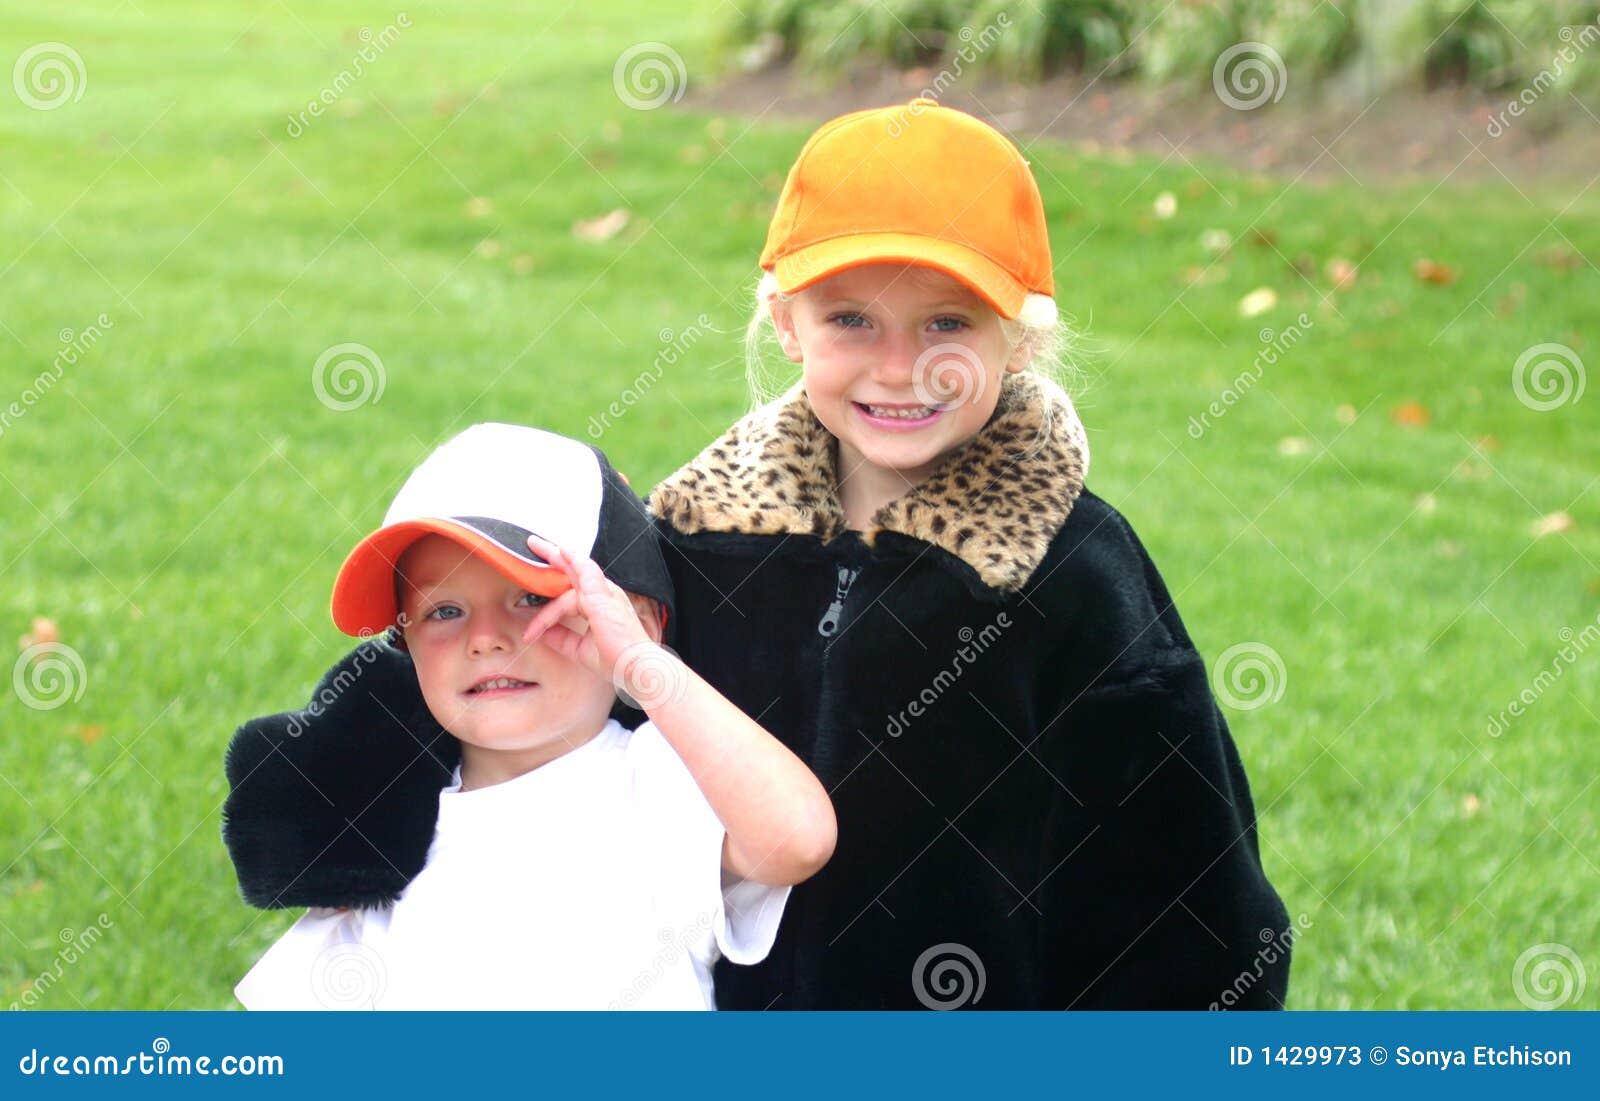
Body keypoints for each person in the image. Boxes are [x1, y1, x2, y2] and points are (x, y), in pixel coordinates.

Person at [224, 99, 1291, 1009]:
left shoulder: (1072, 577)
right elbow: (509, 652)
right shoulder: (702, 534)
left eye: (949, 324)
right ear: (786, 322)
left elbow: (1177, 870)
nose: (899, 368)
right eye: (851, 319)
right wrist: (337, 798)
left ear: (1021, 335)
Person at [227, 423, 835, 1009]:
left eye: (533, 599)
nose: (487, 638)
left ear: (637, 621)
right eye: (444, 612)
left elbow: (797, 839)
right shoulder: (386, 816)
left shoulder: (648, 780)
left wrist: (644, 668)